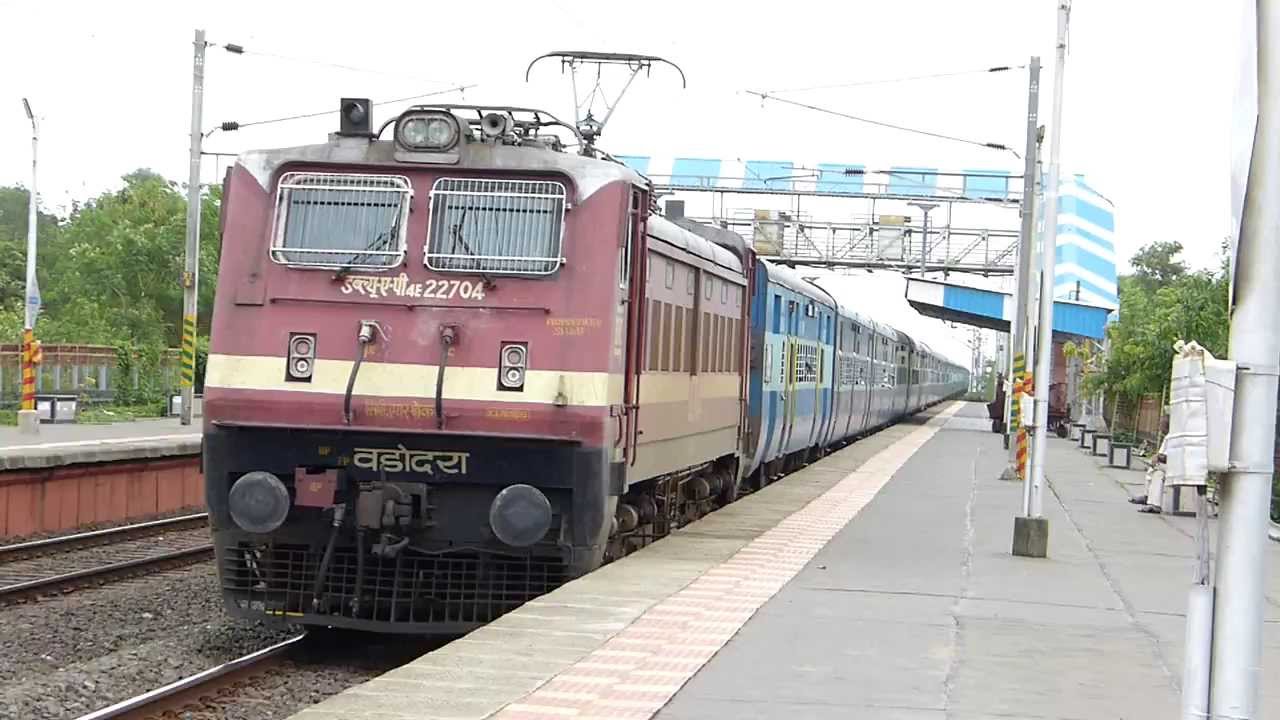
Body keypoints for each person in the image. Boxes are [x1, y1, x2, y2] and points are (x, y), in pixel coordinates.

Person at [1128, 415, 1169, 513]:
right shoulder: (1167, 437)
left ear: (1167, 426)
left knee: (1158, 473)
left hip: (1173, 466)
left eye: (1161, 425)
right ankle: (1147, 496)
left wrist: (1158, 457)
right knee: (1152, 469)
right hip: (1167, 464)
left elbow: (1169, 457)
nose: (1159, 427)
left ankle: (1155, 505)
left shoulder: (1172, 438)